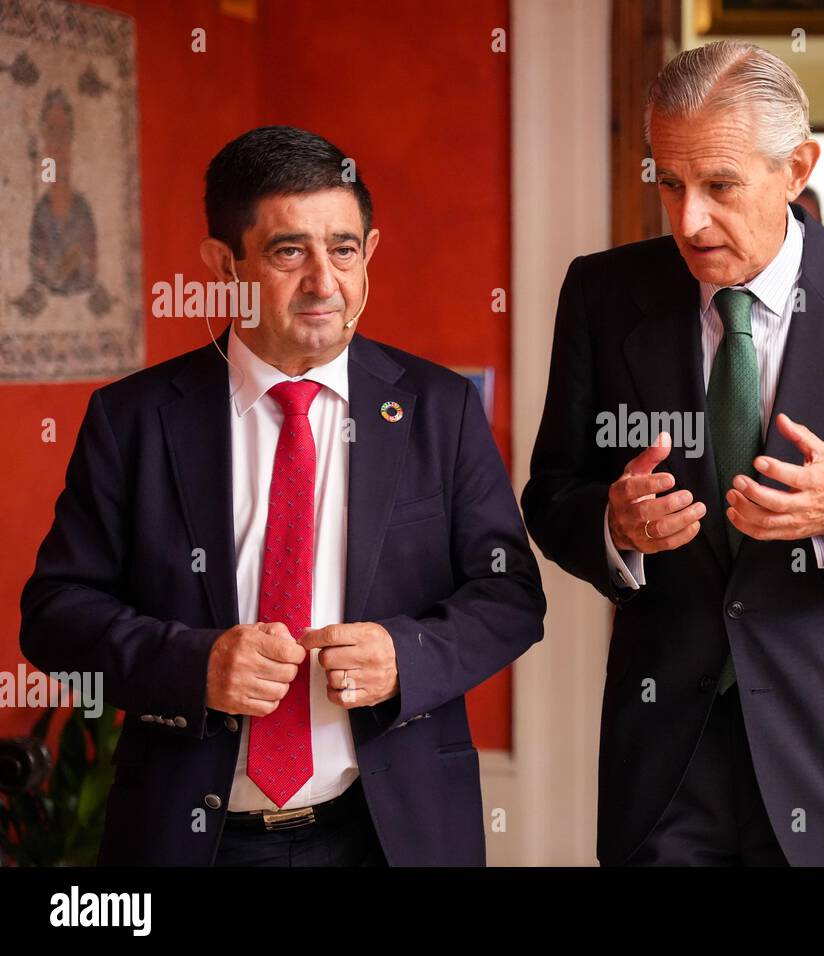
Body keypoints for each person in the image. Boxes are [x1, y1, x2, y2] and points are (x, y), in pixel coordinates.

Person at [523, 40, 824, 866]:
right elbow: (552, 491)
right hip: (666, 756)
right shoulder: (602, 293)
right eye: (668, 183)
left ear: (797, 168)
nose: (688, 220)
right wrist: (613, 526)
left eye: (719, 186)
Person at [19, 126, 546, 867]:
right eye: (288, 251)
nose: (325, 283)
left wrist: (407, 654)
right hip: (193, 840)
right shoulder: (131, 419)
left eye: (344, 248)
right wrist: (193, 665)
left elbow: (512, 596)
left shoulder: (438, 407)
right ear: (221, 265)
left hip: (392, 834)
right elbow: (55, 616)